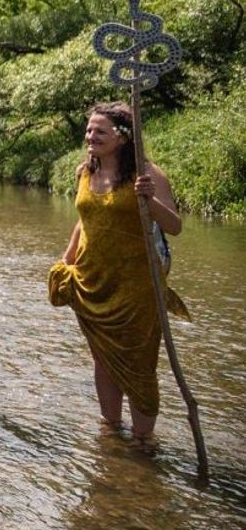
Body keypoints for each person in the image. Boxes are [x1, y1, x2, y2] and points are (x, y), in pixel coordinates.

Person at [49, 102, 186, 446]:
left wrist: (149, 199)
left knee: (139, 364)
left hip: (137, 287)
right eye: (89, 130)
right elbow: (85, 222)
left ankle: (143, 440)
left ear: (123, 138)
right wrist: (65, 263)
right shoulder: (84, 171)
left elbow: (175, 226)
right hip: (92, 281)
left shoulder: (148, 175)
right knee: (103, 359)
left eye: (100, 131)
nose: (90, 136)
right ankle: (110, 430)